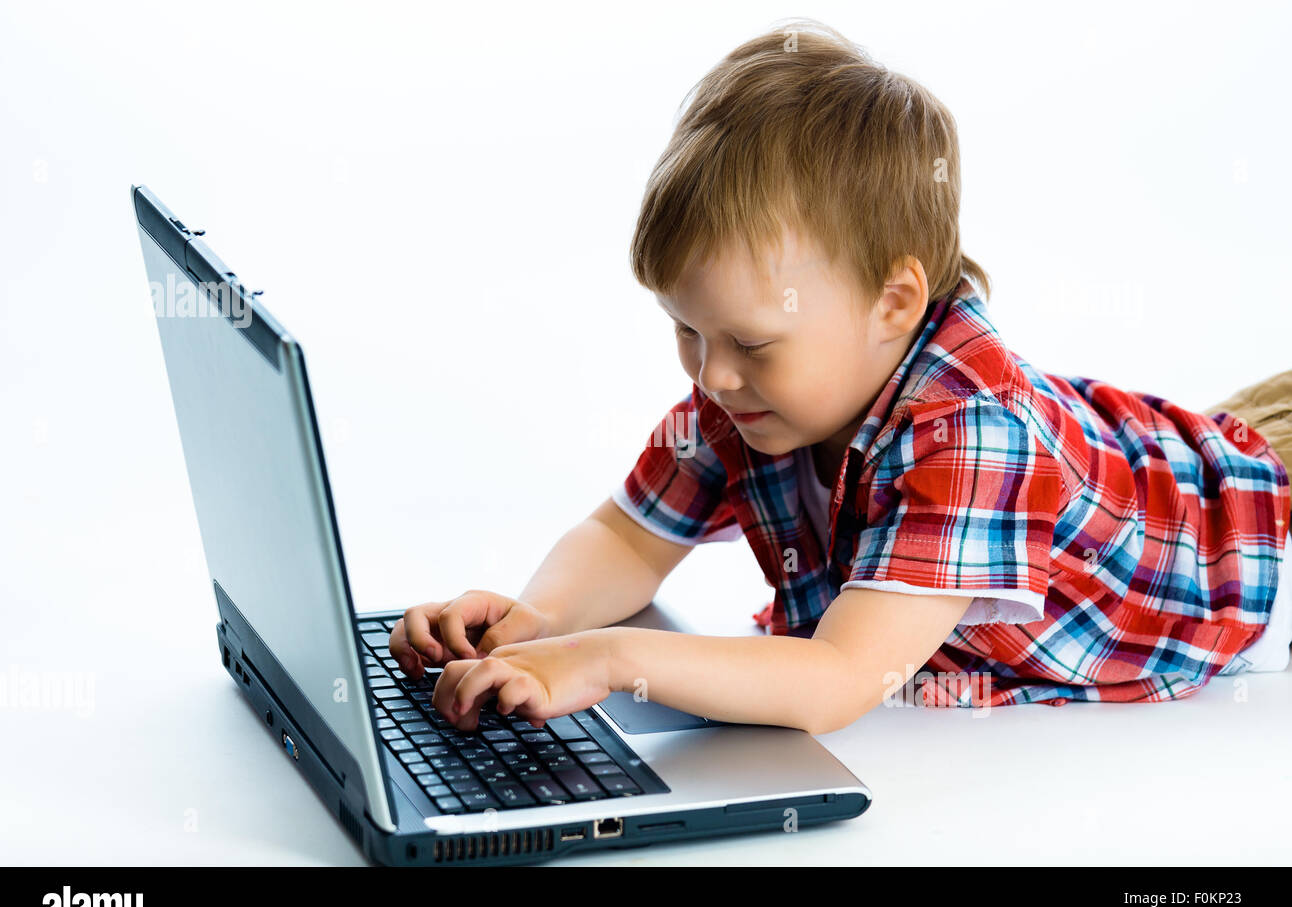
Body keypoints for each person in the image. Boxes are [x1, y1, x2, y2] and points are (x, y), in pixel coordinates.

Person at [388, 20, 1291, 731]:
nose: (713, 375)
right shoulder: (741, 394)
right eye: (687, 332)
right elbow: (628, 537)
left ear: (894, 304)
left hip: (1239, 555)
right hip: (1094, 464)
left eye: (750, 342)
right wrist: (535, 624)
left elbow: (841, 676)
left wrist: (607, 659)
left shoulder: (976, 435)